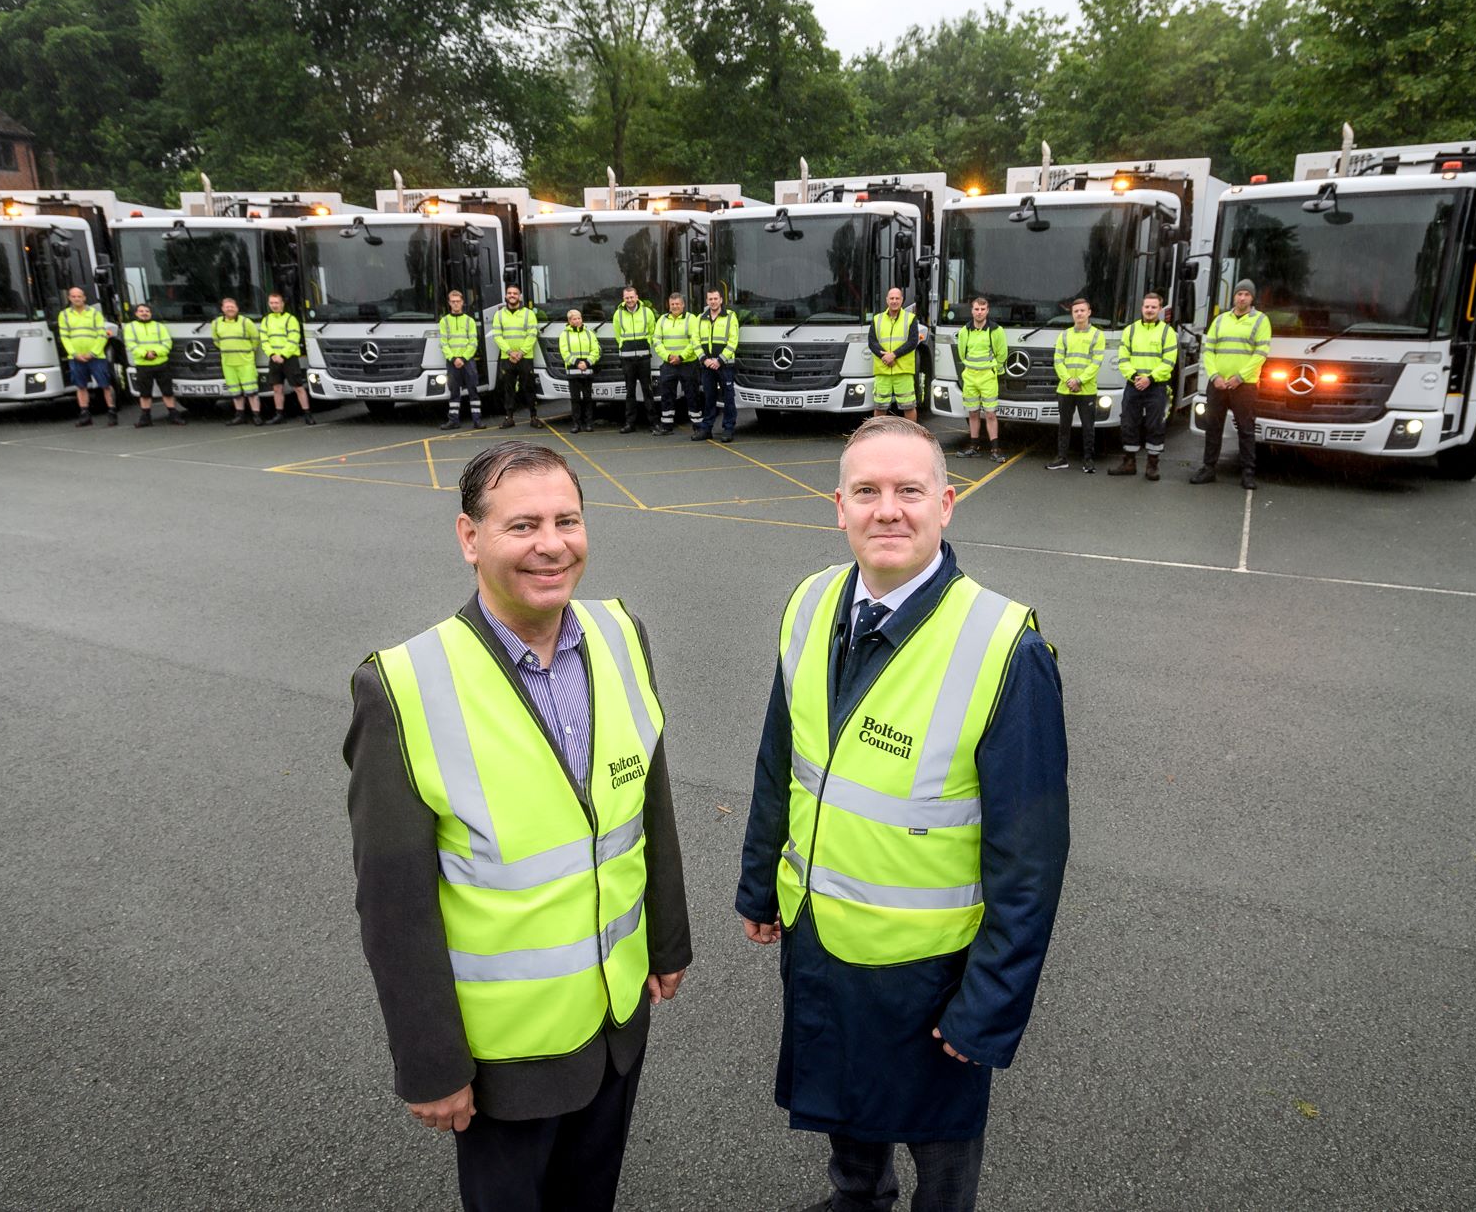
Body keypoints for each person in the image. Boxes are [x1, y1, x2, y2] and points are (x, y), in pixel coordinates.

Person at [346, 440, 693, 1212]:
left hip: (616, 1016)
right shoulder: (404, 686)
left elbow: (649, 802)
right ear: (470, 538)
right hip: (507, 1053)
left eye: (567, 520)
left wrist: (667, 941)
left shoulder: (620, 634)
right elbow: (395, 905)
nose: (552, 544)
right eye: (523, 525)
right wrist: (431, 1063)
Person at [738, 416, 1070, 1212]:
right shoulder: (812, 602)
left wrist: (988, 1006)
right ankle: (858, 1196)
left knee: (940, 1140)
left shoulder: (1004, 647)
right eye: (867, 491)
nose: (887, 509)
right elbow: (782, 757)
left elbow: (1030, 860)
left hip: (932, 966)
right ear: (839, 507)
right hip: (823, 928)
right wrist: (759, 881)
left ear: (945, 505)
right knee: (844, 1093)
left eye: (909, 490)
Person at [1191, 278, 1270, 489]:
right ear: (1233, 296)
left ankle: (1248, 473)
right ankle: (1209, 468)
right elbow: (1208, 351)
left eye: (1246, 294)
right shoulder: (1220, 320)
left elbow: (1261, 353)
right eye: (1239, 294)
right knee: (1213, 427)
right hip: (1218, 385)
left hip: (1244, 386)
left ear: (1252, 298)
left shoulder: (1261, 321)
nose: (1242, 298)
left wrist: (1240, 377)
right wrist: (1214, 376)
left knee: (1246, 429)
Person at [1109, 292, 1176, 480]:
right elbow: (1123, 358)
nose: (1149, 310)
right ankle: (1129, 462)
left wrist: (1150, 379)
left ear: (1160, 309)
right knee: (1128, 423)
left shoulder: (1167, 332)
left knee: (1155, 425)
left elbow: (1169, 362)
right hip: (1134, 385)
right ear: (1142, 308)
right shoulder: (1130, 330)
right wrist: (1135, 376)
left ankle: (1152, 465)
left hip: (1156, 386)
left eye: (1154, 307)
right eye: (1147, 306)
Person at [1048, 297, 1103, 473]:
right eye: (1075, 311)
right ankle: (1061, 458)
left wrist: (1079, 381)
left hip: (1086, 390)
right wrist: (1068, 381)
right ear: (1072, 314)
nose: (1079, 314)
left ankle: (1088, 460)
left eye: (1082, 310)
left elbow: (1096, 362)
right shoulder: (1064, 335)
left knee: (1088, 427)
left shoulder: (1097, 335)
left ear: (1089, 312)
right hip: (1065, 389)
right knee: (1064, 426)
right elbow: (1058, 360)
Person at [952, 295, 1007, 463]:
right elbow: (962, 354)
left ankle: (995, 450)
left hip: (988, 377)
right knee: (973, 413)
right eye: (976, 309)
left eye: (983, 309)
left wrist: (994, 369)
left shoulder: (996, 331)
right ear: (972, 311)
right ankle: (974, 447)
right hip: (970, 377)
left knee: (990, 414)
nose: (979, 312)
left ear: (987, 311)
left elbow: (1002, 353)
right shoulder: (964, 331)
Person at [58, 286, 118, 428]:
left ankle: (112, 412)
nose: (77, 299)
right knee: (80, 386)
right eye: (73, 296)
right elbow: (64, 336)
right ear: (69, 298)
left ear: (84, 298)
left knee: (105, 385)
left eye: (79, 296)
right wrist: (74, 354)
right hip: (76, 358)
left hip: (96, 357)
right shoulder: (64, 315)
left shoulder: (94, 313)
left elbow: (102, 334)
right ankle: (85, 415)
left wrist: (93, 353)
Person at [122, 303, 186, 427]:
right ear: (136, 314)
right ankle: (145, 418)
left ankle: (173, 415)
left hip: (161, 363)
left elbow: (167, 343)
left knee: (167, 391)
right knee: (145, 393)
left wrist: (156, 353)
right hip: (143, 365)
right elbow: (130, 344)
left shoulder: (159, 326)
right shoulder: (130, 327)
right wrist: (145, 354)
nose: (144, 313)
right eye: (141, 311)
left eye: (147, 311)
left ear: (151, 313)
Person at [261, 291, 315, 426]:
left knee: (298, 387)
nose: (274, 305)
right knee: (277, 388)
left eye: (276, 302)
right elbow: (264, 340)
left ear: (282, 304)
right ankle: (279, 414)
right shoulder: (266, 320)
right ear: (268, 304)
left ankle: (307, 414)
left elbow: (294, 339)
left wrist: (283, 355)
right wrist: (272, 355)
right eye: (271, 303)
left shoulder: (291, 319)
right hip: (274, 359)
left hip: (289, 358)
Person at [650, 293, 701, 437]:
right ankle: (666, 426)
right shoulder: (662, 320)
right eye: (672, 304)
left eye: (677, 304)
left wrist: (681, 357)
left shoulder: (691, 319)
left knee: (692, 395)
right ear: (669, 305)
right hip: (668, 364)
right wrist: (667, 356)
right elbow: (657, 341)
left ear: (683, 305)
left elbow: (695, 341)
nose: (675, 306)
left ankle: (698, 426)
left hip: (688, 363)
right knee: (667, 395)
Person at [494, 284, 542, 429]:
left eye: (515, 293)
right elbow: (497, 336)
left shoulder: (529, 314)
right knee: (508, 389)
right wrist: (510, 352)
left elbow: (532, 334)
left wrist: (521, 352)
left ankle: (534, 417)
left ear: (520, 296)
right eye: (509, 293)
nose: (512, 295)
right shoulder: (499, 315)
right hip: (507, 357)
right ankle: (509, 418)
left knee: (529, 387)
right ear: (506, 296)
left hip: (525, 357)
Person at [695, 288, 739, 443]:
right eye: (710, 299)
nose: (713, 302)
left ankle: (728, 429)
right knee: (709, 398)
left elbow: (733, 341)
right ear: (707, 301)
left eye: (715, 299)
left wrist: (719, 360)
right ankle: (706, 429)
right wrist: (704, 359)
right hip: (707, 366)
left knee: (728, 398)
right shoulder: (700, 318)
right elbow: (695, 341)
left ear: (721, 300)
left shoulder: (730, 317)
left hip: (725, 366)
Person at [869, 287, 921, 421]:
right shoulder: (877, 319)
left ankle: (911, 434)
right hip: (883, 371)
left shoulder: (910, 318)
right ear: (887, 300)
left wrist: (894, 355)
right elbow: (872, 342)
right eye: (891, 298)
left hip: (903, 371)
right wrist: (884, 357)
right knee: (880, 407)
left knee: (908, 406)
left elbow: (913, 341)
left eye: (897, 298)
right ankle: (879, 433)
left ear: (902, 300)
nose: (894, 301)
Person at [212, 297, 265, 426]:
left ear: (237, 308)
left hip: (245, 362)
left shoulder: (246, 322)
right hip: (228, 363)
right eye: (227, 307)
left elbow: (255, 339)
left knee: (251, 391)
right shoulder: (216, 323)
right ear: (222, 309)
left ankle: (256, 415)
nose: (230, 309)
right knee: (235, 392)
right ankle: (240, 415)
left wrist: (248, 351)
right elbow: (216, 341)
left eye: (232, 306)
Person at [612, 286, 656, 435]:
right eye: (627, 298)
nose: (629, 300)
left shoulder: (647, 312)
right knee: (629, 392)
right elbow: (618, 335)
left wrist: (646, 343)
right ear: (623, 299)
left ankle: (653, 422)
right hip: (627, 359)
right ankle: (630, 423)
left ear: (637, 297)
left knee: (647, 391)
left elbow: (652, 331)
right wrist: (624, 346)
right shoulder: (618, 314)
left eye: (632, 297)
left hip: (644, 358)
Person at [439, 289, 485, 431]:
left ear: (462, 302)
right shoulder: (444, 321)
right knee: (454, 392)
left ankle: (477, 421)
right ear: (449, 303)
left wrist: (463, 358)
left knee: (473, 390)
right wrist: (453, 358)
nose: (456, 304)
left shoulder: (469, 321)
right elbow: (443, 343)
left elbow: (473, 342)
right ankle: (453, 420)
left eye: (458, 301)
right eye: (453, 301)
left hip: (467, 361)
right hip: (452, 361)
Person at [558, 308, 602, 433]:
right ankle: (576, 424)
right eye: (574, 319)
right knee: (575, 399)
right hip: (573, 372)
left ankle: (589, 423)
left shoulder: (589, 333)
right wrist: (577, 362)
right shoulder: (564, 335)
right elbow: (564, 352)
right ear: (569, 321)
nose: (577, 321)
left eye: (579, 318)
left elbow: (595, 350)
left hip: (587, 371)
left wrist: (587, 363)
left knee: (588, 399)